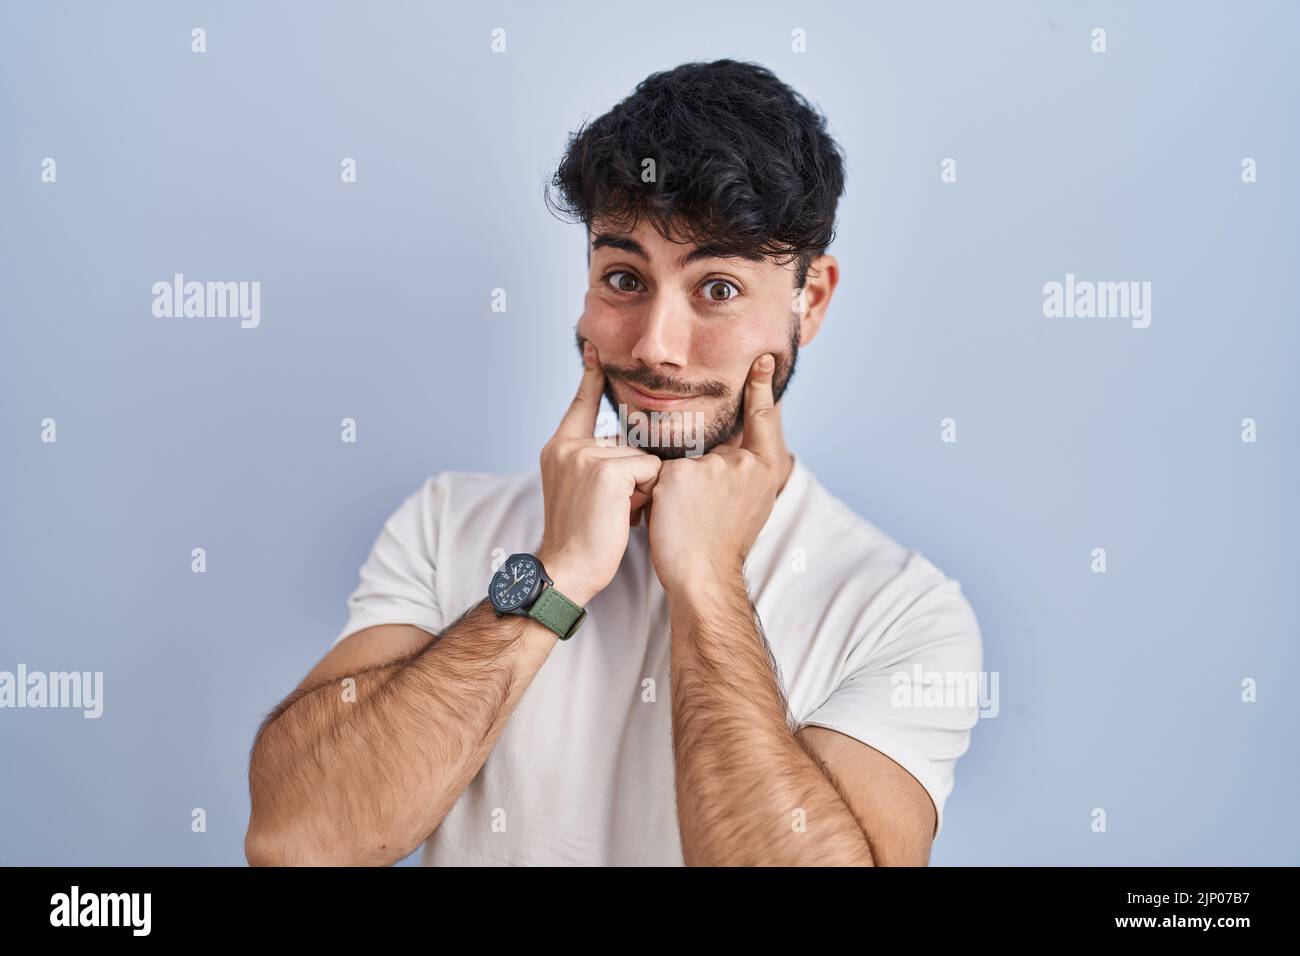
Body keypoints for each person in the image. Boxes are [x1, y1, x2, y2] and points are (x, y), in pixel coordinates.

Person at [245, 59, 982, 867]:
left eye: (719, 290)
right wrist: (552, 575)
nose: (657, 347)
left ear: (810, 299)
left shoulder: (902, 609)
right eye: (624, 278)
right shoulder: (447, 522)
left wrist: (706, 580)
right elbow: (294, 840)